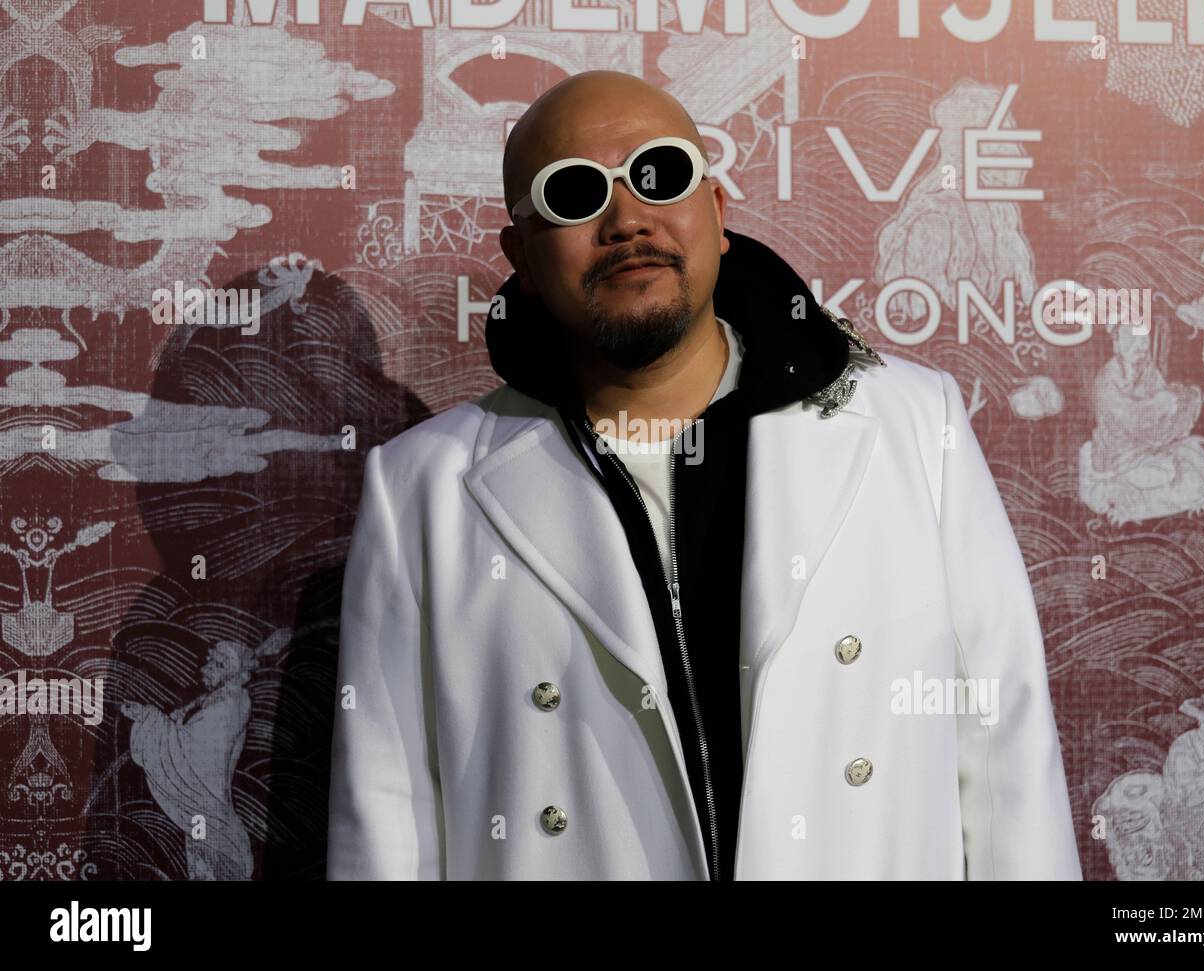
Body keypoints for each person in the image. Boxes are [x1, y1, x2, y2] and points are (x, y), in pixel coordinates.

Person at [326, 70, 1081, 880]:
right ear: (522, 256)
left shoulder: (911, 425)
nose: (626, 220)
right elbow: (386, 811)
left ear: (718, 213)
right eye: (575, 193)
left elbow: (1004, 748)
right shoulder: (422, 491)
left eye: (661, 174)